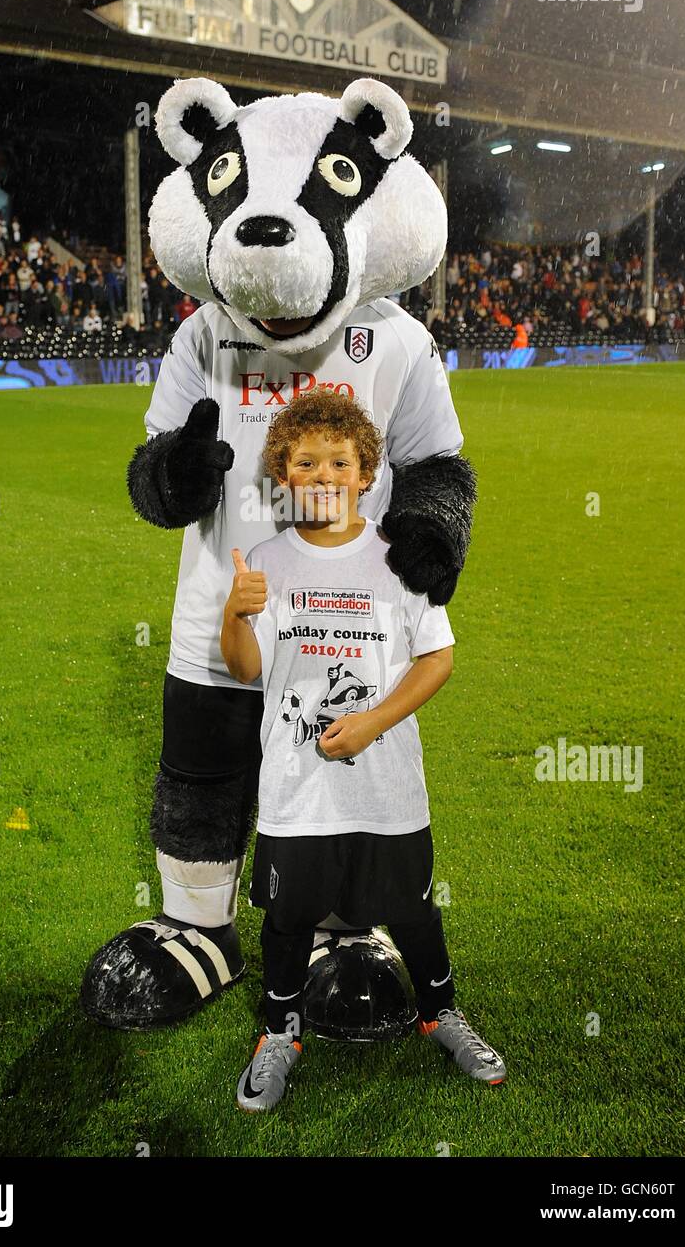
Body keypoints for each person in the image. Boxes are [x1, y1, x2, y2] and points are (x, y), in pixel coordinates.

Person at [220, 389, 505, 1112]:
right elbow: (247, 669)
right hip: (295, 787)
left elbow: (436, 659)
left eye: (337, 462)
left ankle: (440, 1014)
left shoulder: (398, 558)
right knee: (287, 917)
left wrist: (374, 721)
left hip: (385, 784)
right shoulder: (264, 560)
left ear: (364, 473)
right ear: (281, 474)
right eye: (304, 462)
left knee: (409, 908)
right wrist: (236, 611)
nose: (322, 475)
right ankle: (279, 1033)